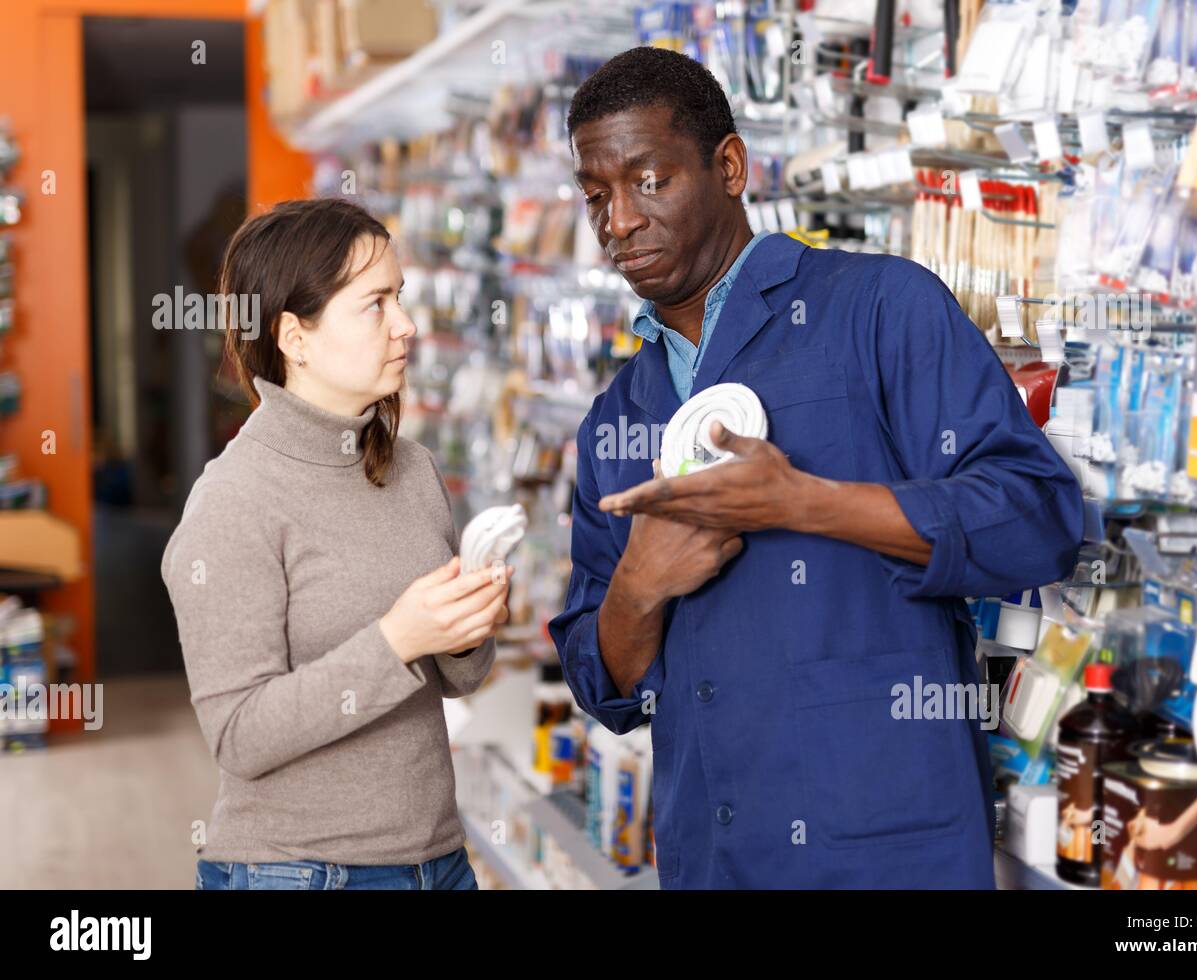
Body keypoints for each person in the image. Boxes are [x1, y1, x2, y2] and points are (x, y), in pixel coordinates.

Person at [549, 47, 1084, 888]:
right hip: (715, 856)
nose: (618, 220)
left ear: (729, 167)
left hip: (887, 854)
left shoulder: (880, 309)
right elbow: (598, 681)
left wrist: (805, 503)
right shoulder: (620, 416)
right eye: (596, 195)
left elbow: (1036, 519)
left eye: (647, 180)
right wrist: (638, 586)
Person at [162, 198, 510, 890]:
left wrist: (465, 627)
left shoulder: (413, 471)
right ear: (295, 337)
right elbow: (239, 735)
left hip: (438, 862)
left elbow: (458, 678)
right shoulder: (234, 501)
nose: (406, 326)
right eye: (375, 304)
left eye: (400, 299)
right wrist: (396, 639)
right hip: (303, 873)